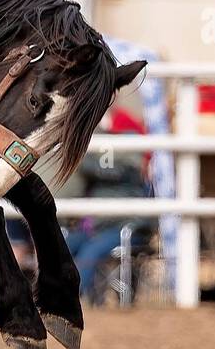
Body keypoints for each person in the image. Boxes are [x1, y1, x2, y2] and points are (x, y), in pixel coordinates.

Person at [63, 107, 152, 303]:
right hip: (99, 225)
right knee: (61, 247)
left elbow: (126, 170)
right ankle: (47, 299)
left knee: (91, 251)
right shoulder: (96, 139)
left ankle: (73, 303)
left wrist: (98, 165)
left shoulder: (131, 139)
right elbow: (87, 165)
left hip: (126, 224)